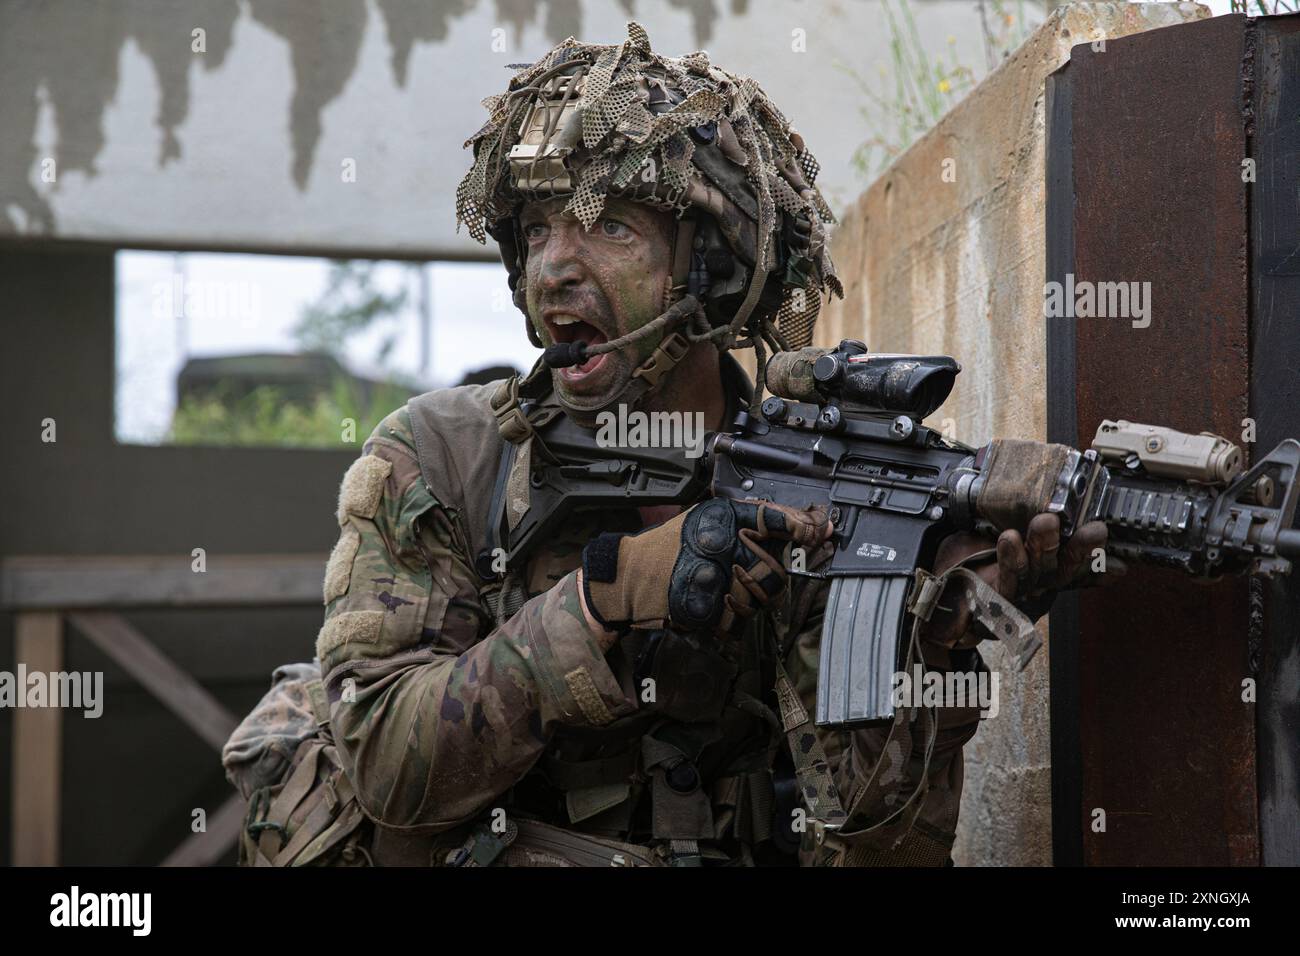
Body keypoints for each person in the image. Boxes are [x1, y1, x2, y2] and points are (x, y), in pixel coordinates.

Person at [224, 22, 1107, 867]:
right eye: (537, 231)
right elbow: (386, 766)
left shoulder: (813, 485)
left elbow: (879, 852)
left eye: (610, 228)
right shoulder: (444, 456)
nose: (552, 271)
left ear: (713, 265)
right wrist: (605, 600)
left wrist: (932, 664)